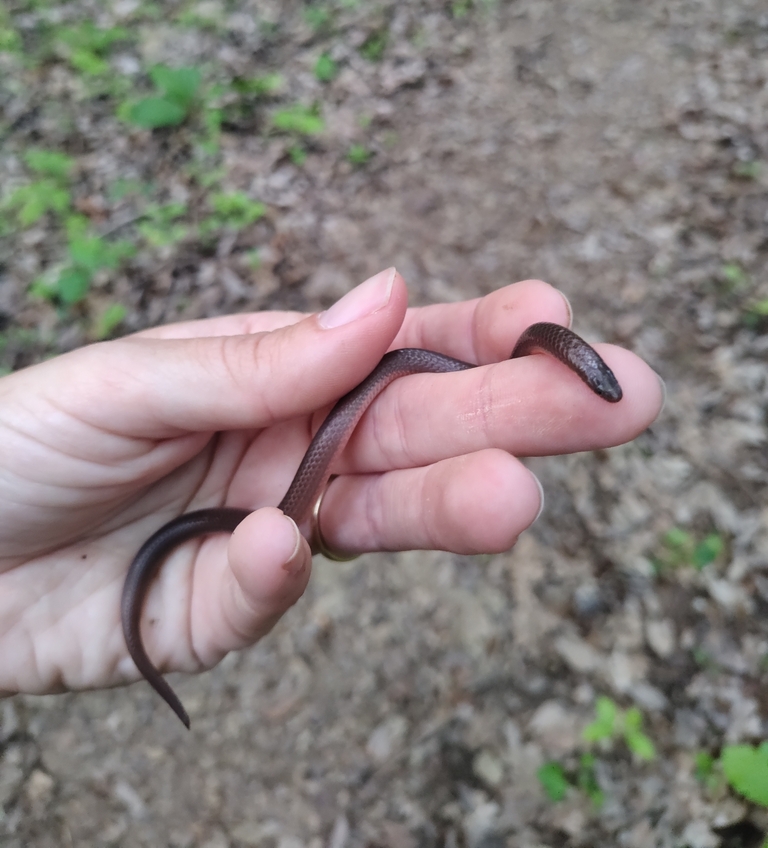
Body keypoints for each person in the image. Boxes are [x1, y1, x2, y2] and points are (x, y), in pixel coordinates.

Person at [0, 270, 663, 701]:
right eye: (593, 377)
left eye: (594, 381)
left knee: (472, 484)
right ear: (573, 361)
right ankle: (185, 531)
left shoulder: (536, 349)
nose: (597, 386)